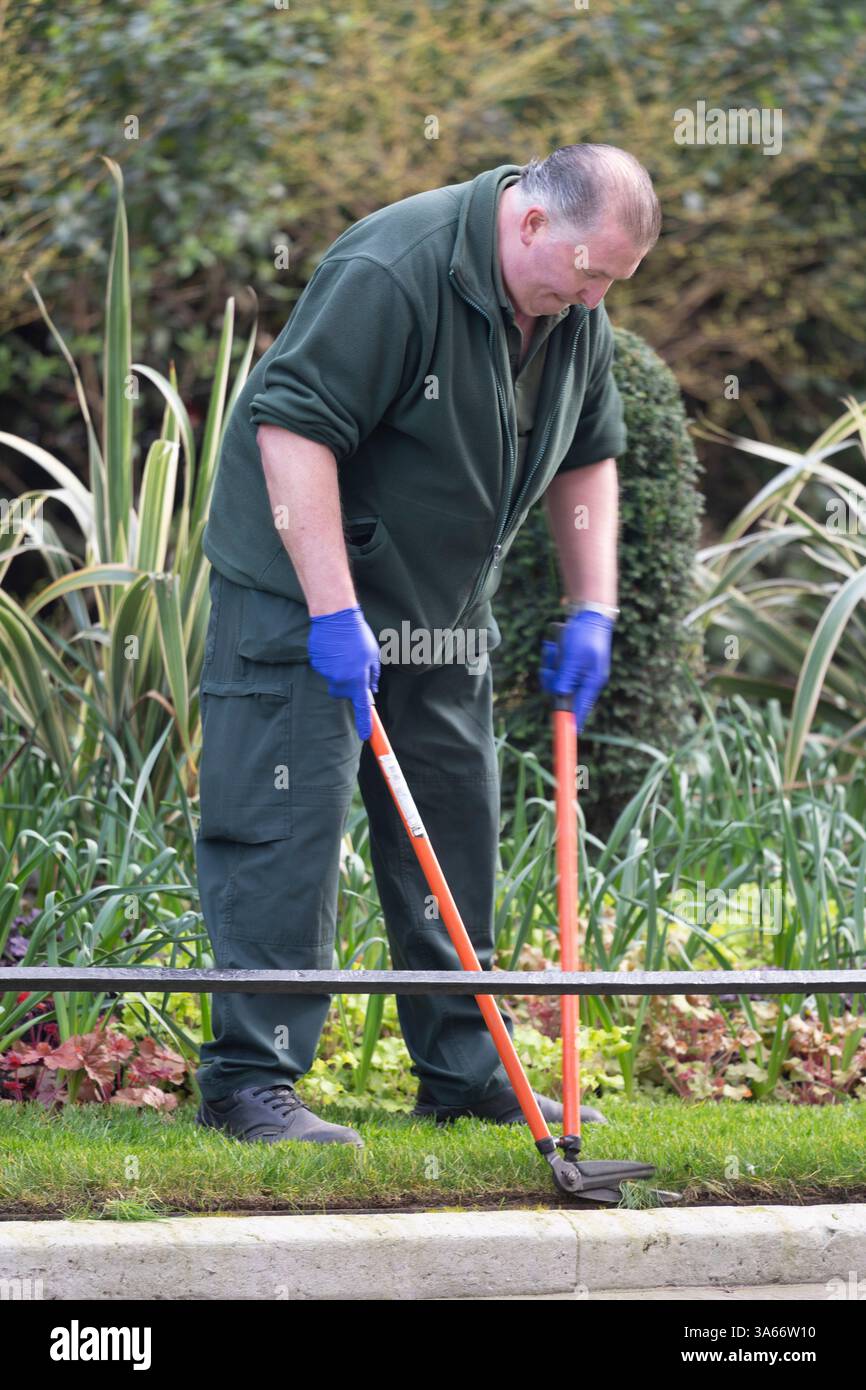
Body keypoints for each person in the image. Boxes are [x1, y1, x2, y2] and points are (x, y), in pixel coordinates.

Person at [194, 144, 660, 1145]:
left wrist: (594, 607)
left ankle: (463, 1069)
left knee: (452, 822)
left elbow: (587, 452)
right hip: (295, 592)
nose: (592, 298)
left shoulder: (572, 312)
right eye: (587, 272)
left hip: (439, 603)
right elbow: (290, 430)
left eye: (610, 283)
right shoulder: (390, 269)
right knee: (283, 829)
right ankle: (249, 1084)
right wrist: (329, 610)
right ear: (531, 222)